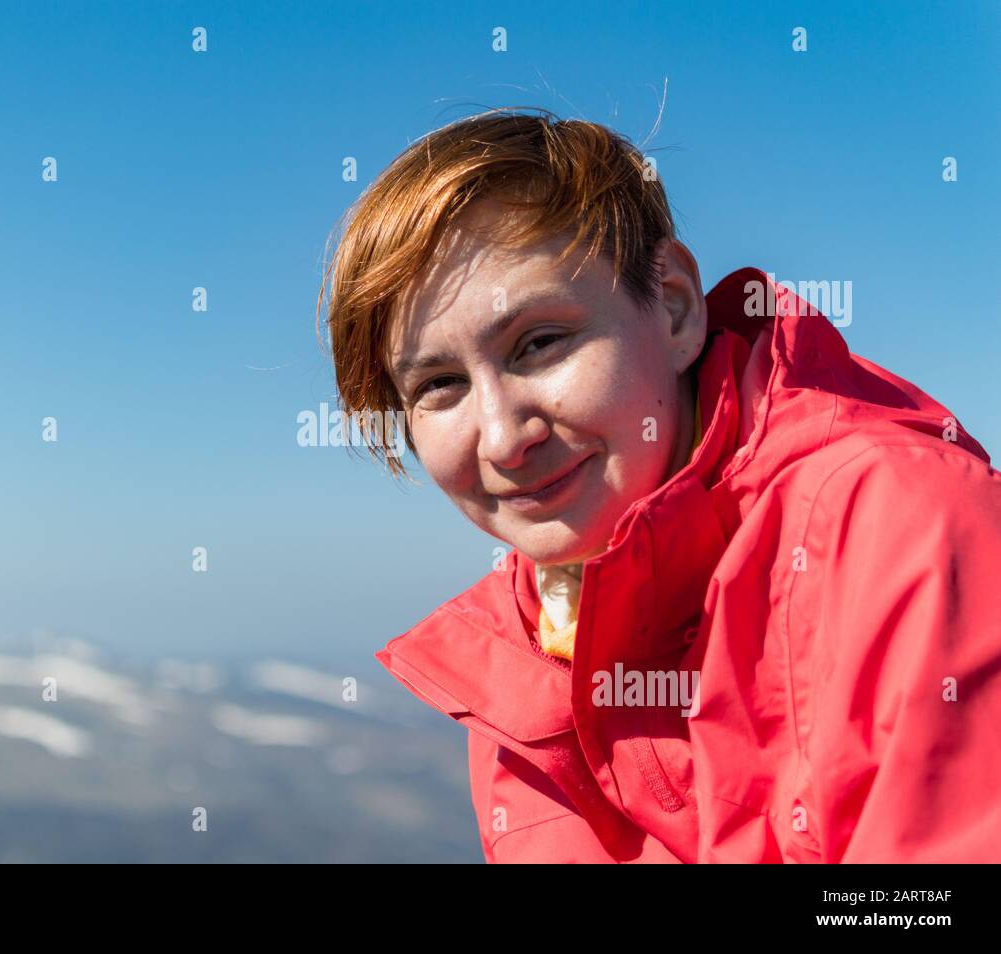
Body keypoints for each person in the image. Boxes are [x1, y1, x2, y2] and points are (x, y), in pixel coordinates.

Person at [317, 107, 1001, 863]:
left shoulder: (906, 534)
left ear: (674, 307)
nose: (505, 437)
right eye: (440, 385)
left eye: (539, 343)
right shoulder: (520, 666)